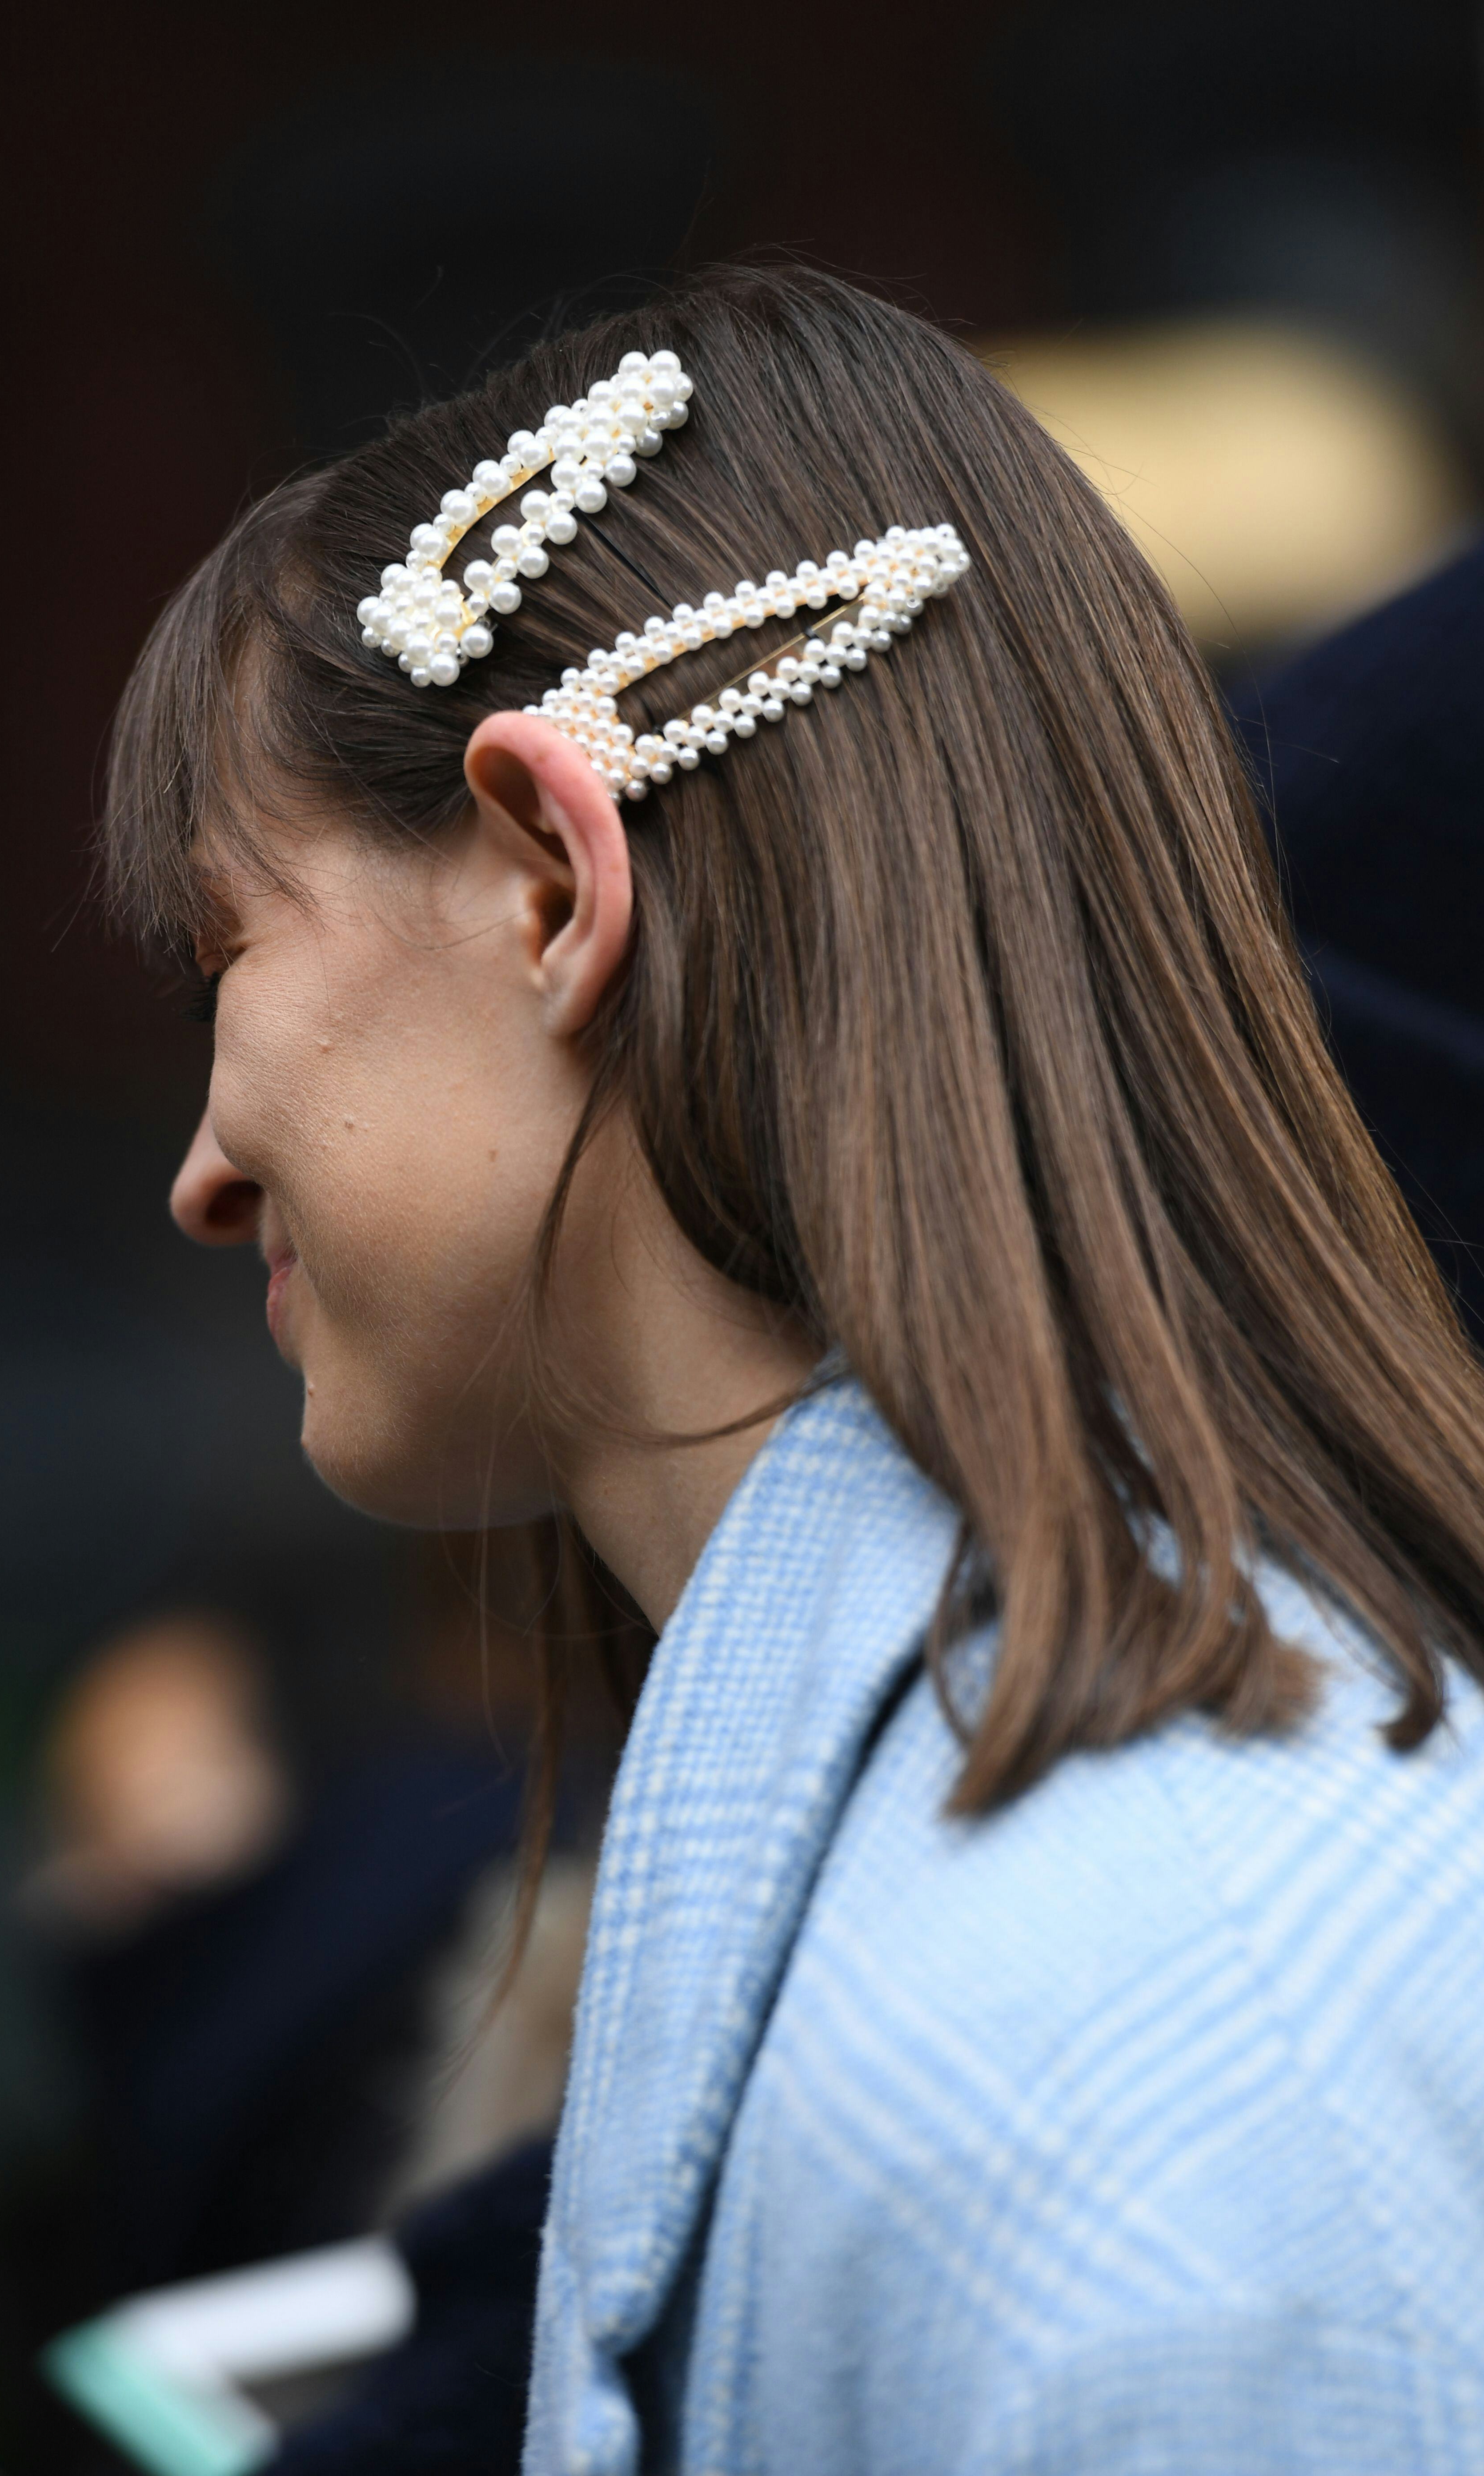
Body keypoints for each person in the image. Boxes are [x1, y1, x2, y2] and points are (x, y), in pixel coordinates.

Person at [102, 265, 1484, 2472]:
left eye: (221, 964)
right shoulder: (1066, 1951)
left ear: (557, 879)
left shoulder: (1133, 2069)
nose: (198, 1169)